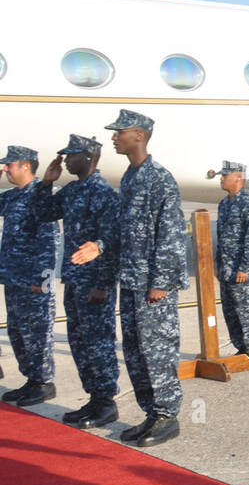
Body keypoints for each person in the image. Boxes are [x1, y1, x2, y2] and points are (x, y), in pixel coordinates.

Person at [71, 110, 187, 446]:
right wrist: (100, 247)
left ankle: (167, 416)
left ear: (138, 134)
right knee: (136, 352)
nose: (113, 138)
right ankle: (152, 414)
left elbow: (171, 234)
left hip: (152, 286)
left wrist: (162, 282)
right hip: (131, 281)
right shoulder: (131, 178)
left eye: (119, 132)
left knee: (158, 351)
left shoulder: (159, 179)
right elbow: (122, 233)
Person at [32, 135, 122, 427]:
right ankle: (94, 398)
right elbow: (44, 212)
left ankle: (106, 403)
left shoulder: (103, 193)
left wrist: (104, 284)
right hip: (74, 279)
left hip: (95, 281)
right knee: (80, 341)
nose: (67, 160)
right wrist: (47, 182)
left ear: (90, 157)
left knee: (99, 342)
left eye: (72, 156)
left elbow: (112, 240)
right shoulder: (71, 191)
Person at [0, 145, 58, 406]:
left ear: (25, 166)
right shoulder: (13, 196)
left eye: (8, 165)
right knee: (18, 332)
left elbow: (49, 240)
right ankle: (32, 380)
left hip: (34, 281)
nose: (4, 169)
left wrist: (43, 280)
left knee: (37, 333)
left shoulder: (40, 196)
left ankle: (44, 383)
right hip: (14, 278)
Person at [214, 161, 249, 366]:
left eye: (225, 176)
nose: (221, 179)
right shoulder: (224, 204)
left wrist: (245, 266)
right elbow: (222, 237)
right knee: (231, 311)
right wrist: (219, 265)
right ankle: (241, 347)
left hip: (244, 271)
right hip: (227, 270)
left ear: (238, 177)